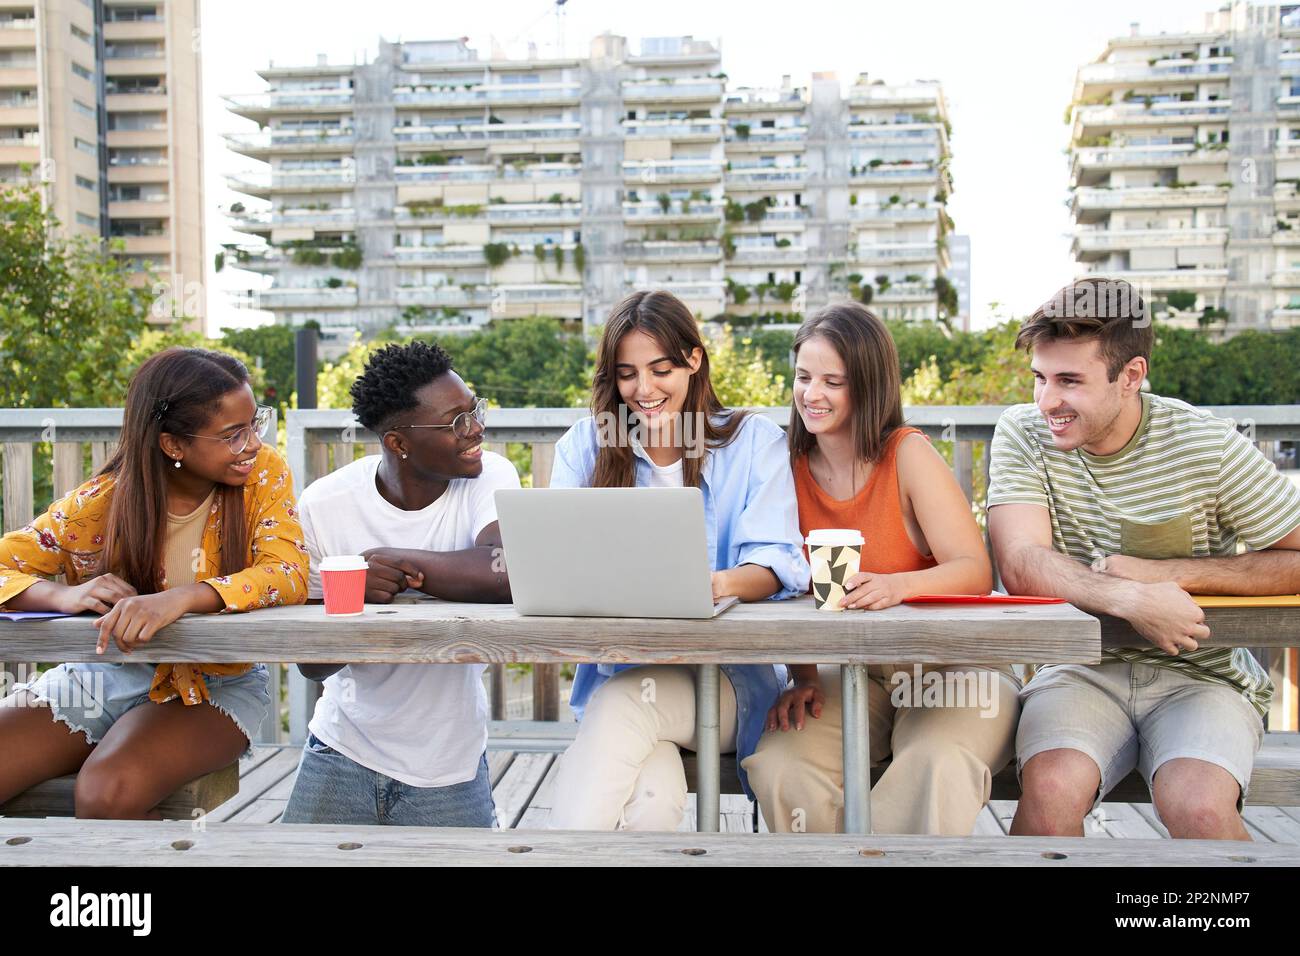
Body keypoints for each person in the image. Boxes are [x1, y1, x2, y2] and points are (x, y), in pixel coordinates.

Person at [988, 278, 1300, 840]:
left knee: (1200, 805)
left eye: (1069, 381)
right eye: (1040, 377)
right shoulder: (1024, 432)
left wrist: (1166, 575)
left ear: (1130, 376)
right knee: (1051, 789)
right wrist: (1131, 596)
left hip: (1203, 677)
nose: (1046, 402)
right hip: (1080, 669)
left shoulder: (1207, 443)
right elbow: (1021, 560)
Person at [742, 303, 1019, 834]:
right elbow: (778, 581)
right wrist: (800, 674)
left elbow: (974, 571)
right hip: (846, 671)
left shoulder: (907, 454)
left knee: (934, 762)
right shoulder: (785, 468)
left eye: (832, 381)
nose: (811, 395)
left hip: (950, 668)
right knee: (781, 766)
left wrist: (899, 586)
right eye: (803, 377)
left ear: (867, 386)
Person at [0, 347, 306, 819]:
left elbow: (286, 571)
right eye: (232, 434)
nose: (252, 444)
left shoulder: (262, 473)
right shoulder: (102, 503)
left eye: (254, 423)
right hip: (106, 673)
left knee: (106, 792)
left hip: (217, 683)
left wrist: (180, 599)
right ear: (173, 445)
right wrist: (63, 594)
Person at [544, 290, 809, 831]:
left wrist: (705, 585)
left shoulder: (753, 442)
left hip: (728, 682)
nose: (643, 389)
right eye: (626, 374)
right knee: (651, 802)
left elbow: (776, 564)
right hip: (627, 672)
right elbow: (556, 561)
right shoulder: (586, 445)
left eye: (660, 369)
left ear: (694, 360)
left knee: (622, 708)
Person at [281, 341, 517, 827]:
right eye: (455, 421)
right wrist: (352, 594)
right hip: (341, 748)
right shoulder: (326, 504)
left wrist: (400, 562)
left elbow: (506, 571)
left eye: (474, 410)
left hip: (449, 765)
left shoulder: (489, 474)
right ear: (398, 443)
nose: (475, 429)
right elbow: (312, 666)